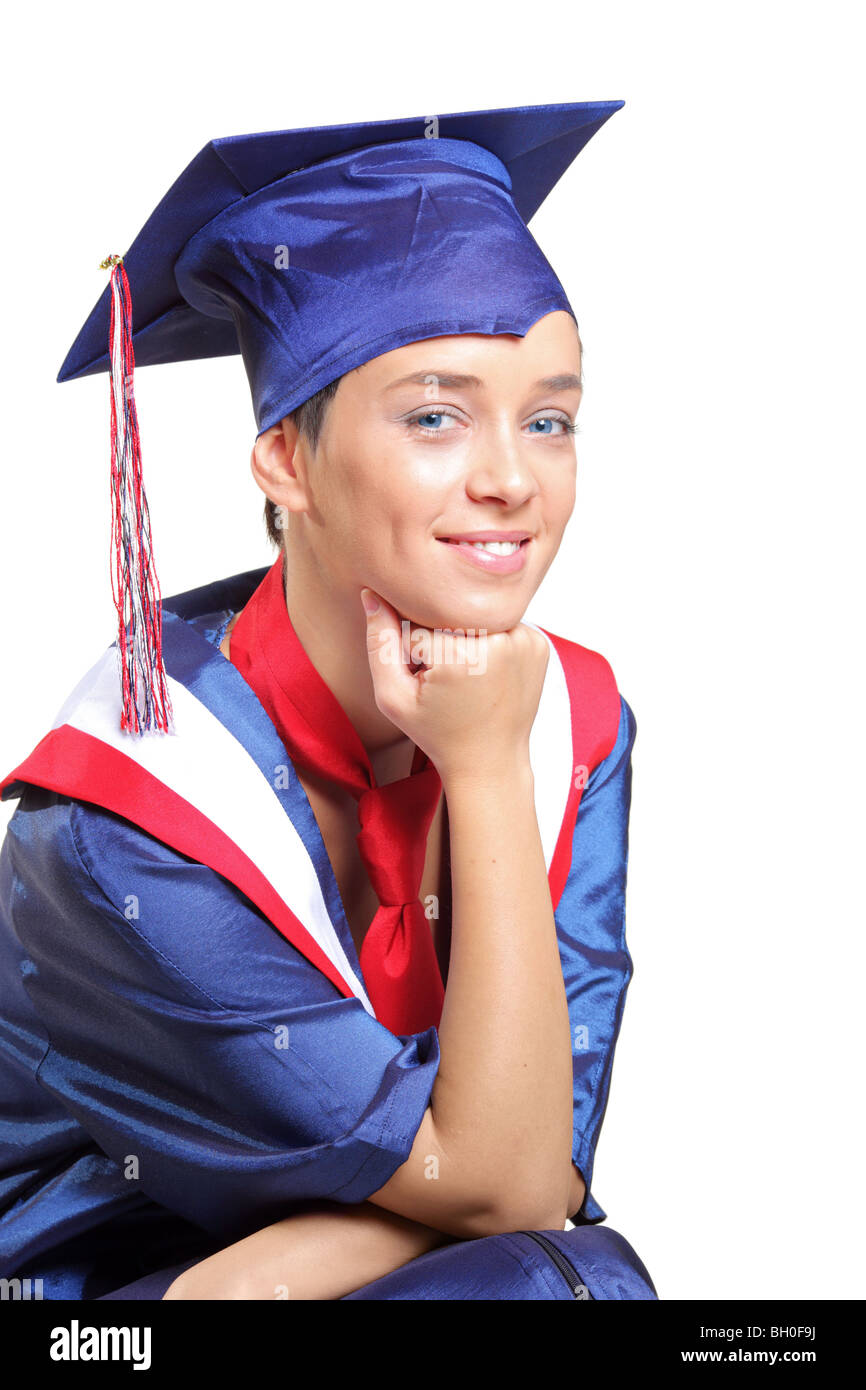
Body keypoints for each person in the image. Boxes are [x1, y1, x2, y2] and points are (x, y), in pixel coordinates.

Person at [0, 102, 657, 1300]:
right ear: (283, 460)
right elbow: (512, 1195)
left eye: (549, 419)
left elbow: (536, 1165)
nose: (510, 477)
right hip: (96, 1298)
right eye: (433, 415)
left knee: (576, 1280)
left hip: (301, 1274)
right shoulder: (123, 820)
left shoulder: (562, 723)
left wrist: (484, 769)